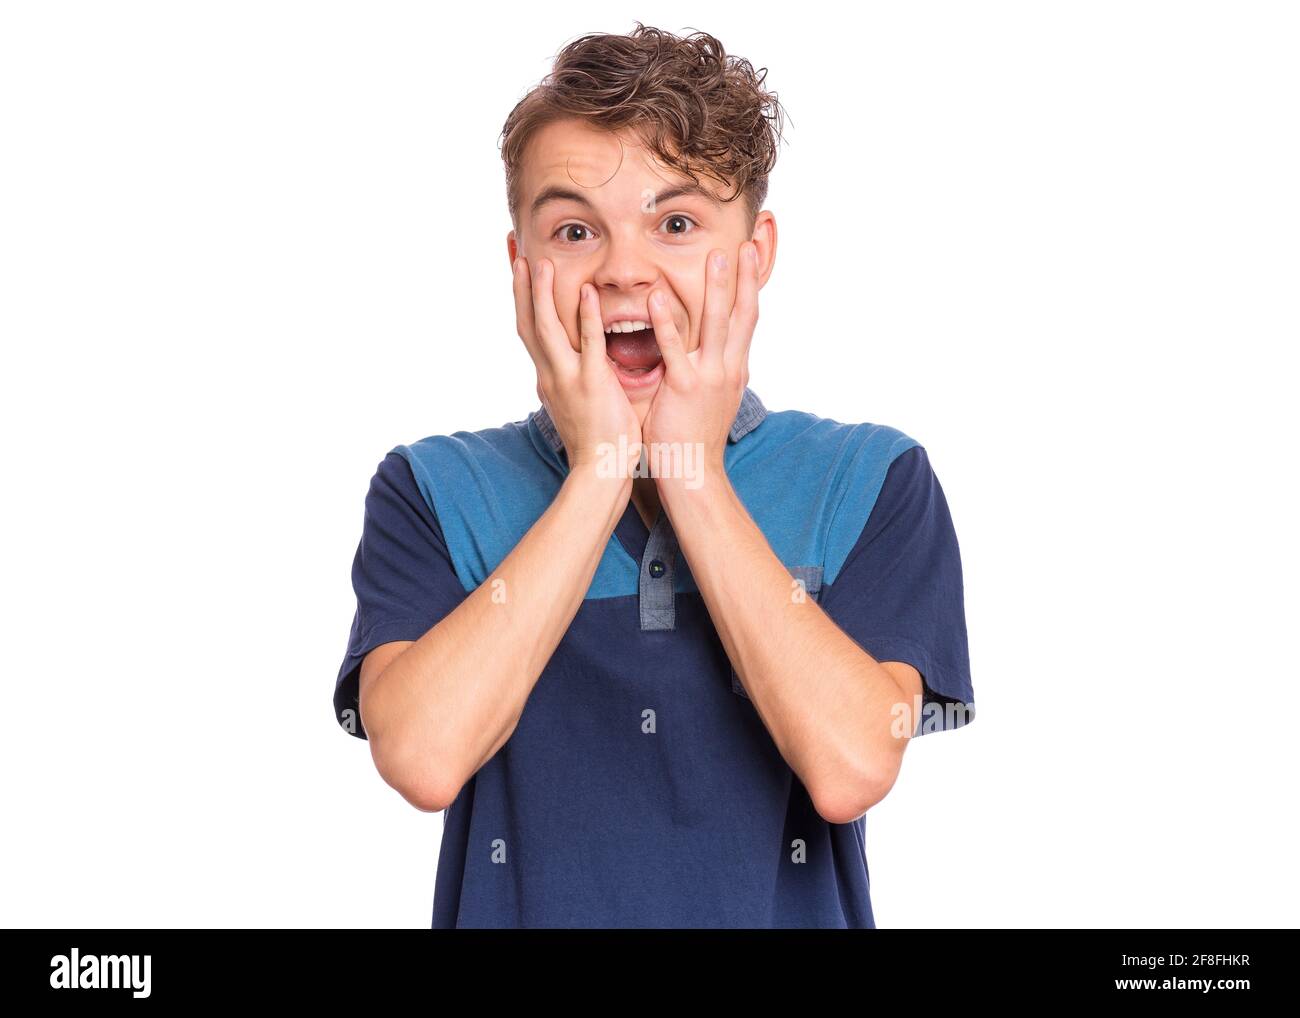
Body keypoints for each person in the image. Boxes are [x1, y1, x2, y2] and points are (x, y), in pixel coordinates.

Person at [333, 23, 975, 928]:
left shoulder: (869, 478)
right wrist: (598, 469)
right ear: (521, 267)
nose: (623, 269)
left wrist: (692, 470)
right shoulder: (431, 488)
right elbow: (423, 760)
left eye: (675, 223)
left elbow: (852, 765)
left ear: (754, 255)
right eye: (573, 230)